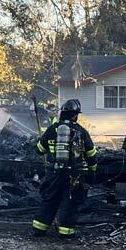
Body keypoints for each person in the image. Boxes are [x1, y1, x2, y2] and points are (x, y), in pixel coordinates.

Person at [32, 100, 97, 239]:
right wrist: (92, 171)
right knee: (71, 202)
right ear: (75, 115)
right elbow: (91, 154)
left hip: (54, 173)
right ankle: (66, 232)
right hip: (74, 175)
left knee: (50, 200)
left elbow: (39, 150)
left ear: (62, 113)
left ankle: (39, 228)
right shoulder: (81, 131)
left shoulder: (52, 129)